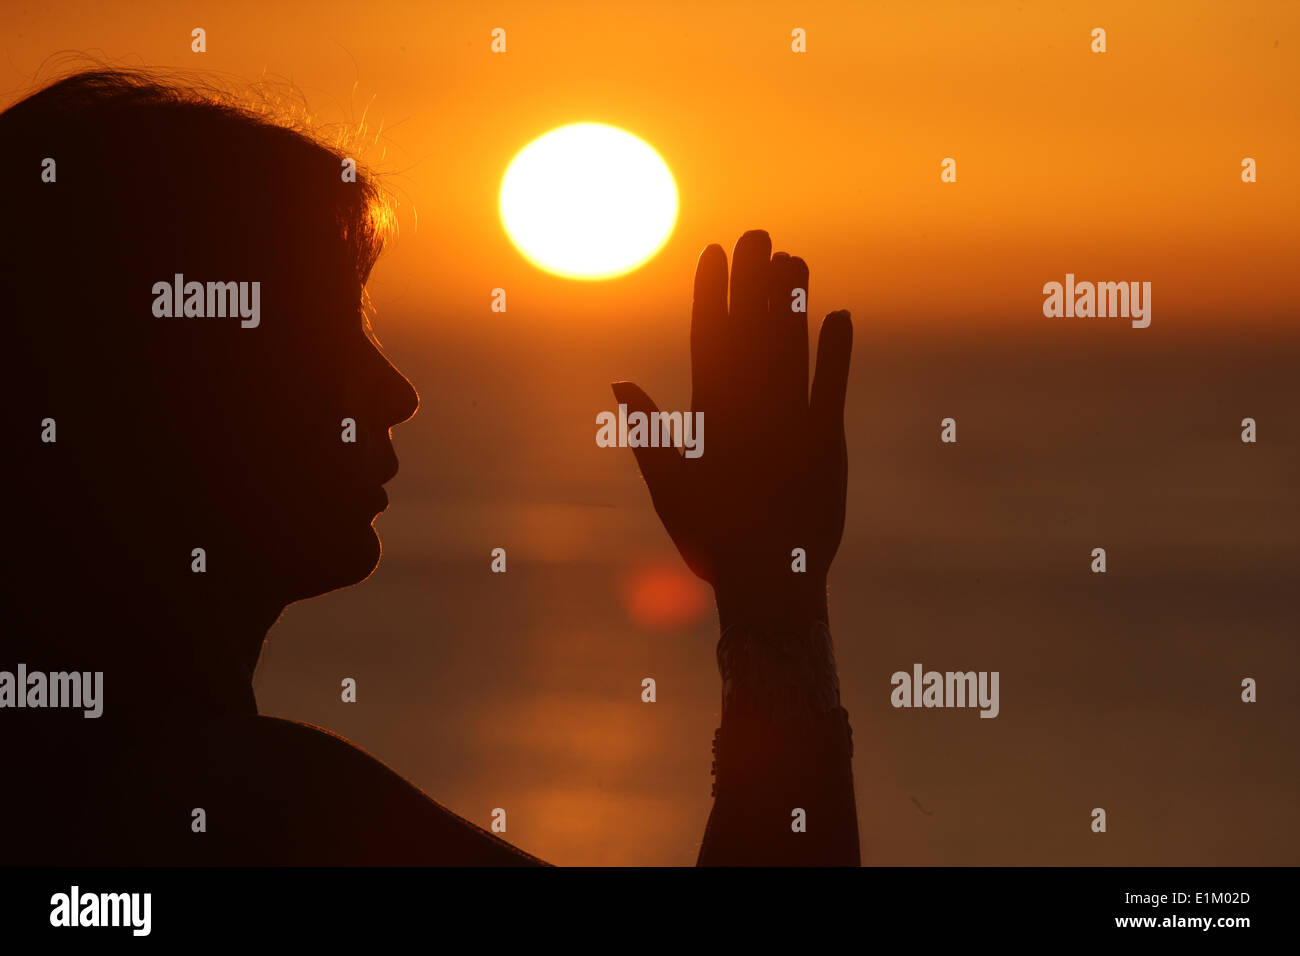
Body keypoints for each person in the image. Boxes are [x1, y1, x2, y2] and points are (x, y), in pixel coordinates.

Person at [0, 69, 858, 865]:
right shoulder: (246, 812)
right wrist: (771, 602)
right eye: (328, 325)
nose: (397, 391)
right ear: (166, 382)